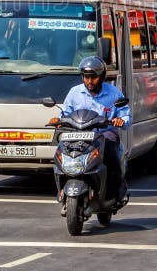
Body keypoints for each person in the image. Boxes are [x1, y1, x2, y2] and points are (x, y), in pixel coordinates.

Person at [48, 56, 131, 203]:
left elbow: (125, 115)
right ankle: (62, 188)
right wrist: (58, 120)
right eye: (86, 77)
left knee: (111, 153)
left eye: (93, 78)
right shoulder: (75, 92)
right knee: (60, 153)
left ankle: (116, 189)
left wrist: (120, 120)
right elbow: (65, 113)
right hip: (78, 134)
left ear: (101, 77)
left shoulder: (113, 93)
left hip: (104, 133)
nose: (89, 81)